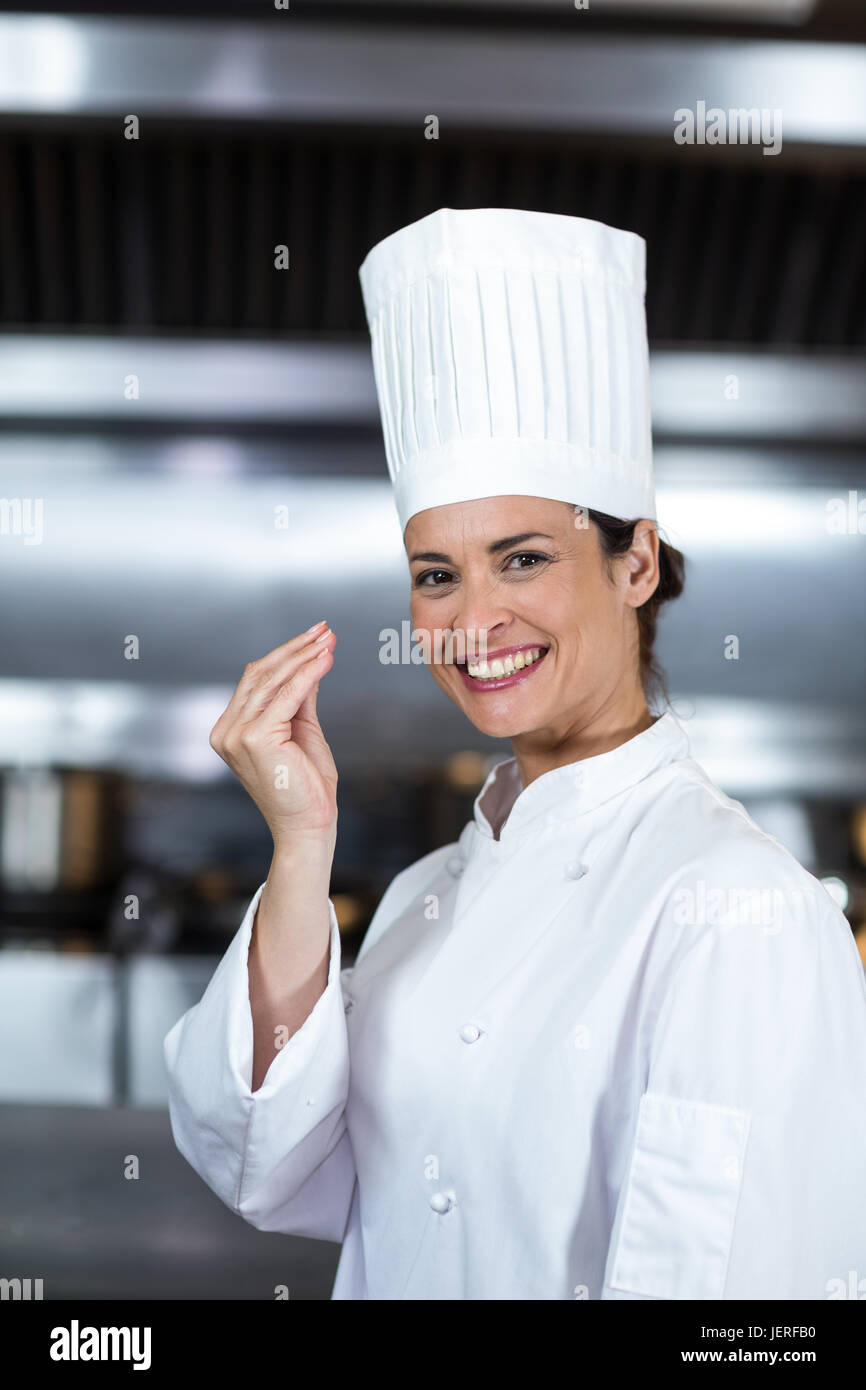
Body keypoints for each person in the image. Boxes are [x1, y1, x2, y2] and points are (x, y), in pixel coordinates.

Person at [164, 208, 866, 1300]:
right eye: (436, 573)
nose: (471, 619)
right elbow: (263, 1166)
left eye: (522, 557)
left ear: (634, 560)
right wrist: (299, 847)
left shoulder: (737, 909)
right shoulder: (419, 900)